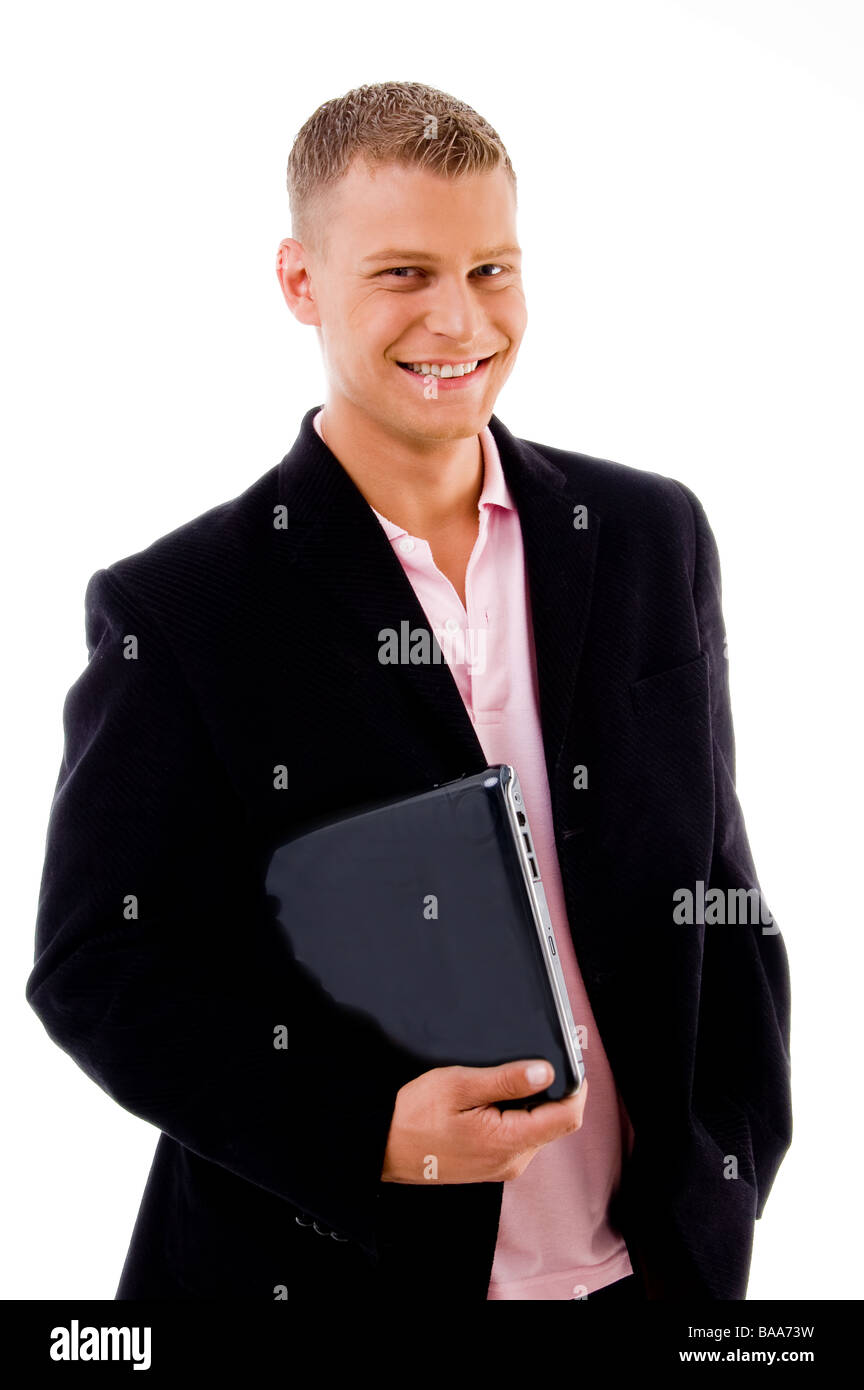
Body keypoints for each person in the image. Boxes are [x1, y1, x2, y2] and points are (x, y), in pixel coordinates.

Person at [26, 80, 792, 1302]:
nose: (460, 318)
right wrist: (368, 1134)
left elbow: (719, 877)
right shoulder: (181, 609)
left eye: (492, 267)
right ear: (299, 283)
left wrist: (728, 1165)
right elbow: (99, 966)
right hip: (334, 1277)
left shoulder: (651, 533)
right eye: (404, 273)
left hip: (645, 1276)